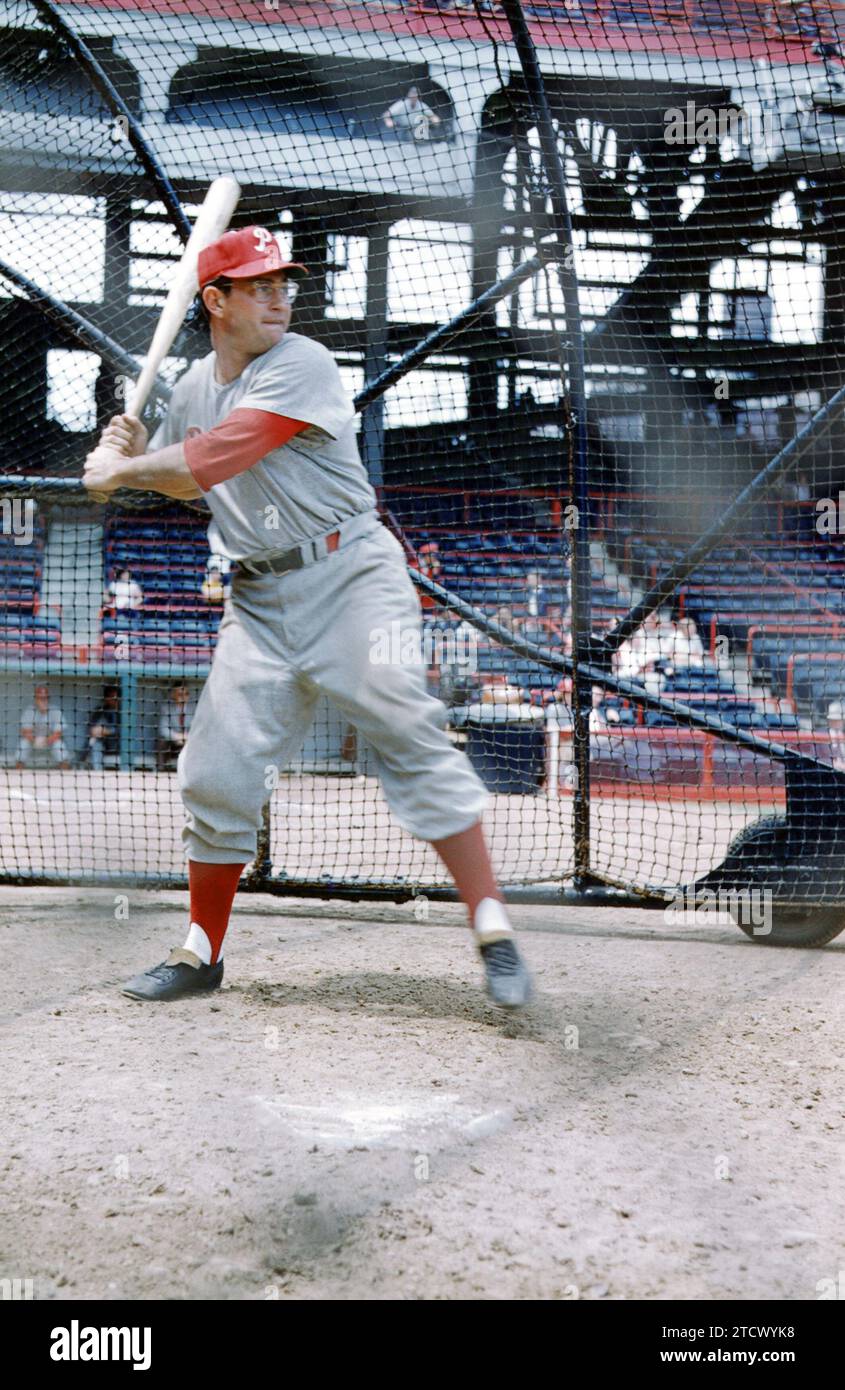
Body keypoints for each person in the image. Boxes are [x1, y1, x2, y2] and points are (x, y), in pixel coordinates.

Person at [83, 224, 531, 1008]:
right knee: (216, 768)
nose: (280, 297)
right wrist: (128, 443)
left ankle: (492, 926)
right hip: (255, 597)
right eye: (259, 286)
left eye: (283, 283)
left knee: (404, 726)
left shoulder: (304, 362)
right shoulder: (191, 387)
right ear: (214, 301)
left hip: (352, 575)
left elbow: (217, 455)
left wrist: (122, 470)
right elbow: (187, 477)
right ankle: (200, 950)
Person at [16, 684, 70, 769]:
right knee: (23, 745)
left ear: (48, 698)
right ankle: (18, 776)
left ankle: (66, 776)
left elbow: (58, 733)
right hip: (33, 742)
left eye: (45, 698)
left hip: (51, 742)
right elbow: (25, 731)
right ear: (35, 699)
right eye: (40, 698)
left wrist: (46, 741)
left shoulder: (55, 711)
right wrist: (35, 741)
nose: (43, 700)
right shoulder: (30, 711)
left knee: (59, 746)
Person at [157, 682, 192, 770]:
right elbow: (163, 729)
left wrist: (187, 737)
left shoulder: (194, 708)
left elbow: (198, 728)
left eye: (186, 694)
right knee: (161, 743)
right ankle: (160, 772)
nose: (184, 697)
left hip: (189, 741)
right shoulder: (166, 708)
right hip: (172, 742)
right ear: (173, 695)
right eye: (180, 694)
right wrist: (176, 737)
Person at [86, 685, 120, 770]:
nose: (113, 700)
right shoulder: (100, 710)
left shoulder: (124, 711)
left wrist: (107, 731)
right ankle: (98, 773)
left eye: (116, 697)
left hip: (119, 744)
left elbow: (125, 730)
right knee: (96, 743)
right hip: (103, 743)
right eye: (111, 697)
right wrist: (96, 731)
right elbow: (91, 728)